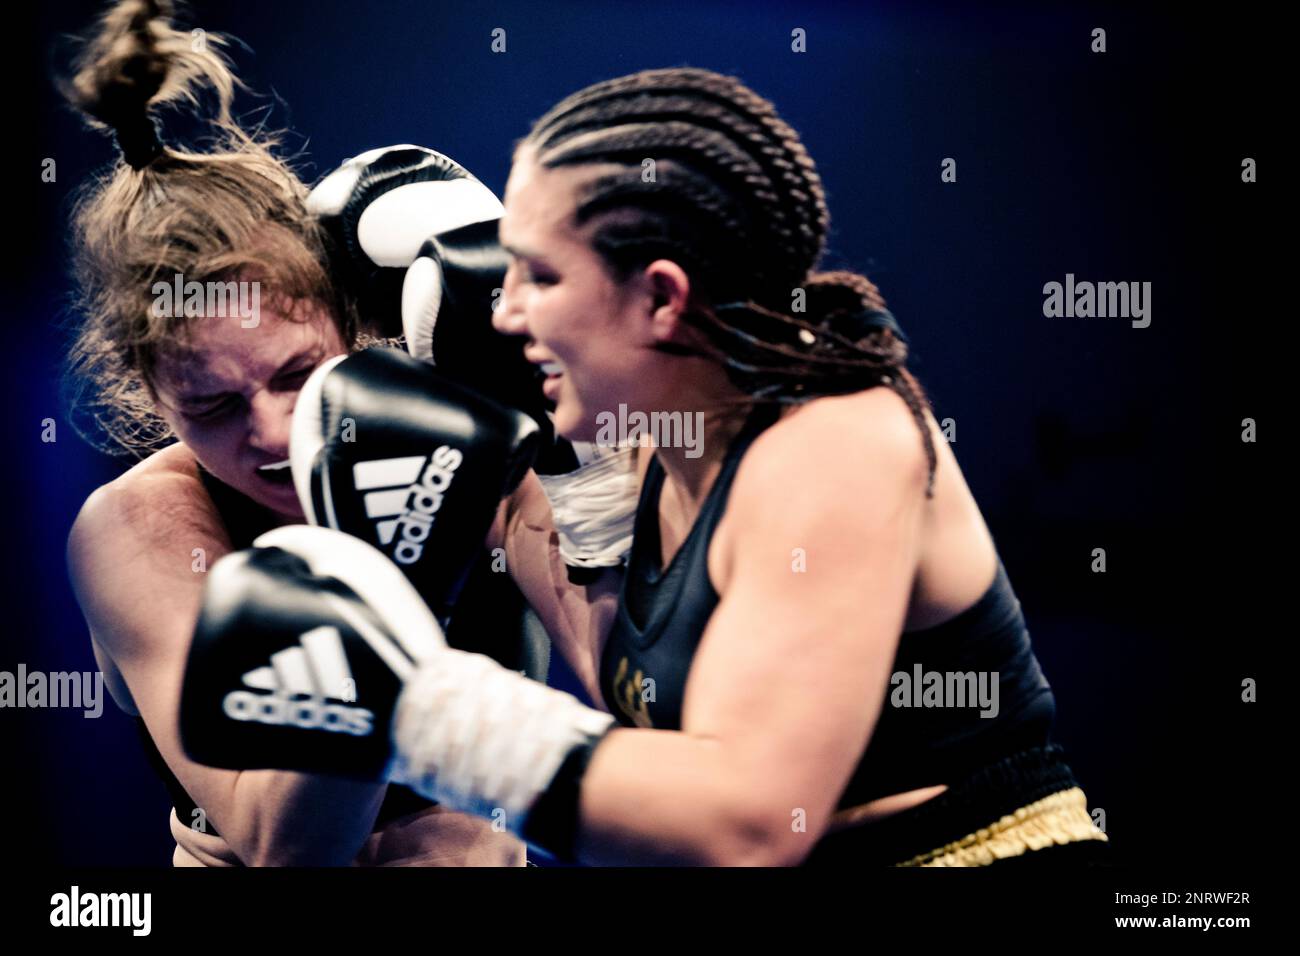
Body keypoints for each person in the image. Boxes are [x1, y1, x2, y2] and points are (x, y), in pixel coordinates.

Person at [179, 67, 1110, 866]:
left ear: (660, 298)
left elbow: (745, 825)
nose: (503, 313)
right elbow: (646, 725)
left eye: (539, 277)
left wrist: (421, 715)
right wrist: (553, 466)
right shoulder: (657, 447)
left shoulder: (832, 438)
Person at [61, 0, 544, 866]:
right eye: (211, 407)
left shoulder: (453, 429)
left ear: (349, 321)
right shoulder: (135, 529)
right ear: (149, 396)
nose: (274, 432)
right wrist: (387, 585)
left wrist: (570, 452)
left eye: (296, 373)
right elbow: (280, 845)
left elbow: (634, 675)